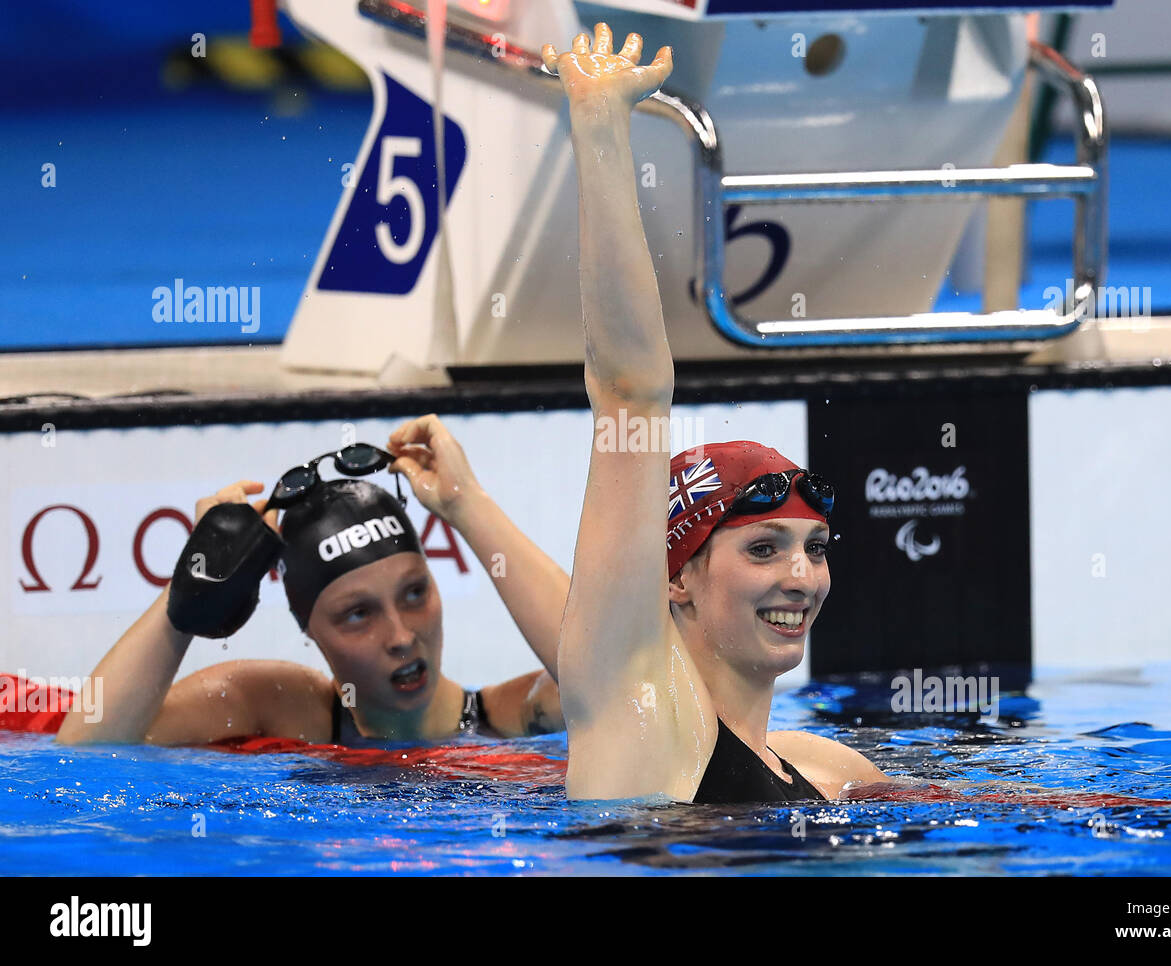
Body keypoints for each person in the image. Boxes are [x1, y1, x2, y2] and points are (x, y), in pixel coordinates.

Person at [542, 24, 889, 804]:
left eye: (814, 547)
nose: (802, 577)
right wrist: (600, 124)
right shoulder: (640, 718)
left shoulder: (827, 768)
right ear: (678, 581)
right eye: (762, 550)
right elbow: (630, 392)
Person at [56, 414, 566, 748]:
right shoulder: (278, 705)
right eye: (358, 613)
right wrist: (190, 593)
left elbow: (621, 671)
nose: (402, 636)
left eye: (414, 593)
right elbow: (84, 757)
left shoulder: (517, 718)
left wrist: (467, 505)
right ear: (307, 625)